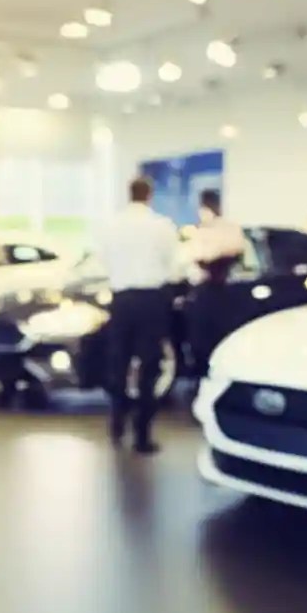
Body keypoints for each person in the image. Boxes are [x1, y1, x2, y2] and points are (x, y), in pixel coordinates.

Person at [97, 177, 181, 455]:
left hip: (120, 300)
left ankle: (116, 423)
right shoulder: (162, 226)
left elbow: (104, 260)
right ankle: (142, 435)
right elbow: (174, 264)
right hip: (151, 300)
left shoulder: (111, 226)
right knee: (149, 365)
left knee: (118, 362)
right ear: (150, 195)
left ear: (129, 194)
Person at [187, 189, 245, 378]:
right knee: (220, 337)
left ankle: (204, 377)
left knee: (203, 339)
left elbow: (197, 259)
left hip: (209, 291)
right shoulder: (231, 229)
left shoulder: (202, 231)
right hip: (226, 291)